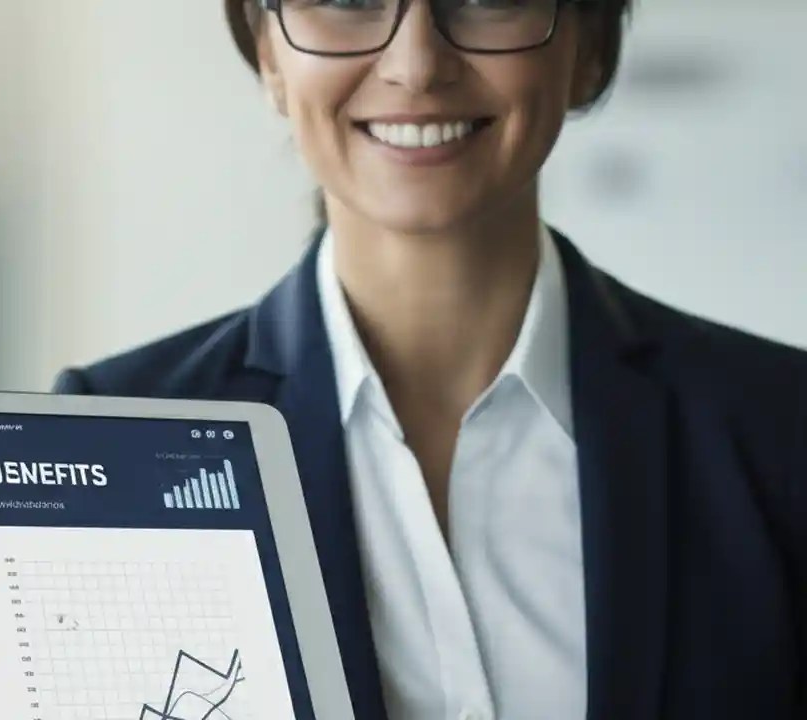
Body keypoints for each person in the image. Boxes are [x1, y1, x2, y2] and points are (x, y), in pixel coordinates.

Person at [54, 1, 806, 718]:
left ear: (590, 49)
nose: (416, 65)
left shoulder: (782, 430)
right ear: (269, 55)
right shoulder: (110, 441)